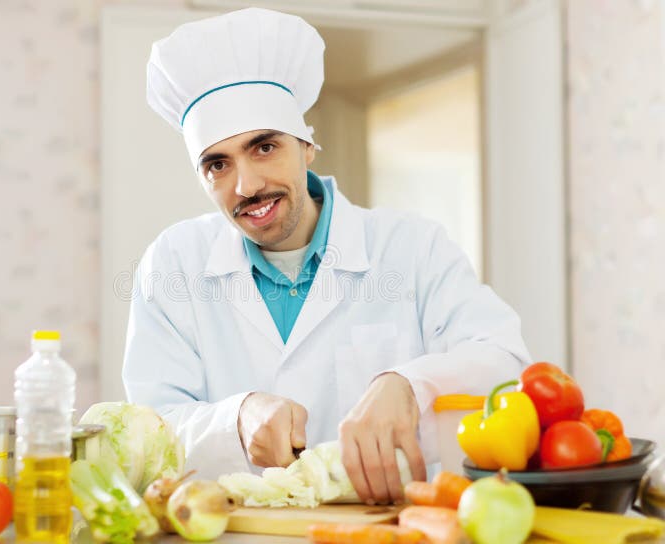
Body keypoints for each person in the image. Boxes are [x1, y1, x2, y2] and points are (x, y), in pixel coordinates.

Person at [123, 7, 530, 505]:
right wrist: (236, 418)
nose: (246, 185)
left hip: (391, 526)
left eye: (264, 147)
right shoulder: (172, 263)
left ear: (307, 145)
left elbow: (504, 362)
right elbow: (148, 429)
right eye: (217, 164)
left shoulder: (411, 246)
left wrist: (407, 383)